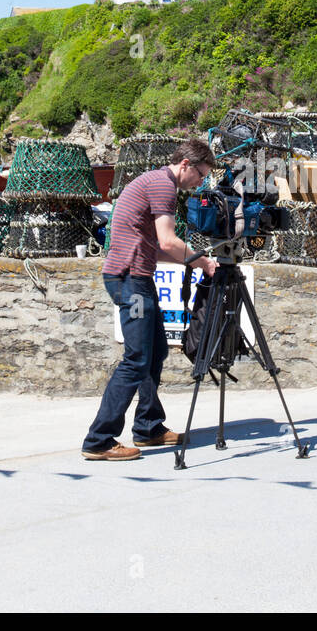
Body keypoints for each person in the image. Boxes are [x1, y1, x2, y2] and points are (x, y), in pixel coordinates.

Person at [82, 140, 218, 461]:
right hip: (130, 282)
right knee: (137, 357)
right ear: (185, 164)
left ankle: (148, 427)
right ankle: (99, 438)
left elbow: (156, 247)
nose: (200, 182)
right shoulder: (163, 186)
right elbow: (169, 240)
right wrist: (205, 262)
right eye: (200, 174)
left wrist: (193, 259)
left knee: (155, 350)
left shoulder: (154, 182)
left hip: (136, 278)